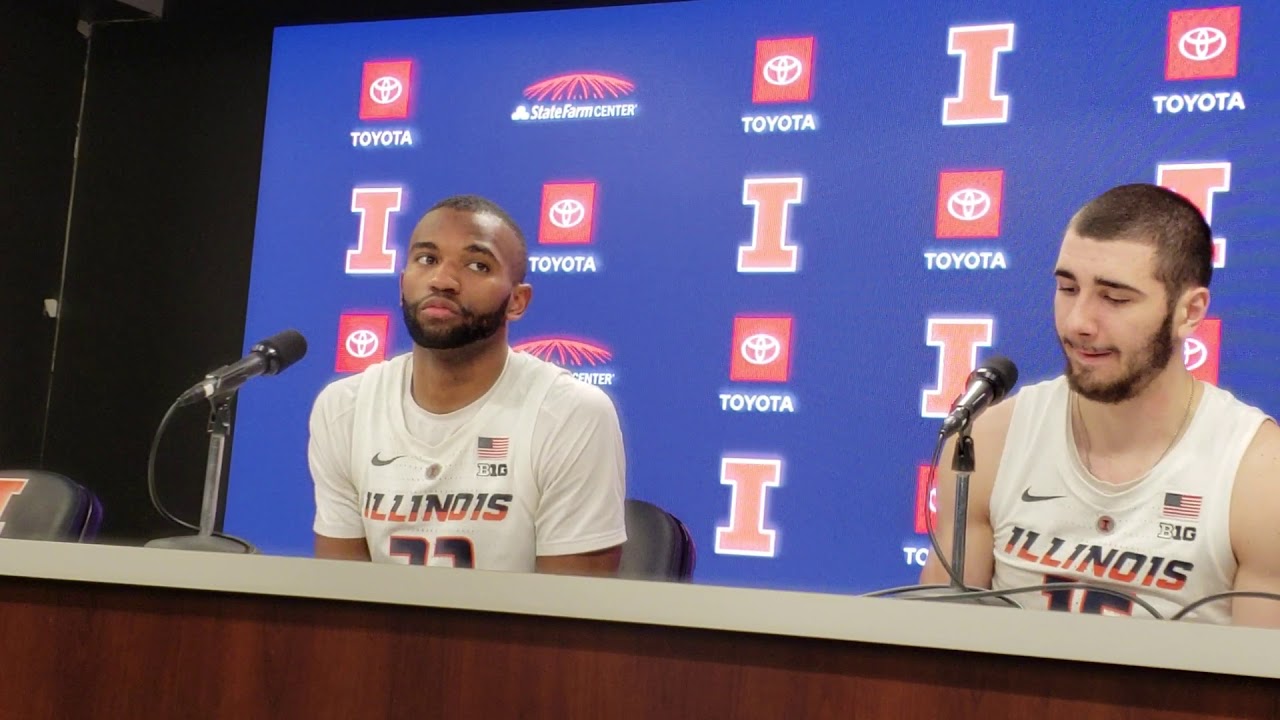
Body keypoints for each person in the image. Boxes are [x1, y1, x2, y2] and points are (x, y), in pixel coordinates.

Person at [921, 183, 1280, 626]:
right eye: (1068, 288)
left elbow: (1261, 685)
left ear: (1189, 312)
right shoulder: (991, 440)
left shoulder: (1261, 472)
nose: (1078, 322)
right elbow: (938, 650)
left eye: (1114, 298)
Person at [307, 194, 627, 576]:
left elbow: (572, 616)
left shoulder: (570, 414)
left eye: (477, 265)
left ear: (517, 302)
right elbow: (341, 599)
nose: (442, 280)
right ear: (402, 281)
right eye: (427, 259)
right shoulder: (344, 408)